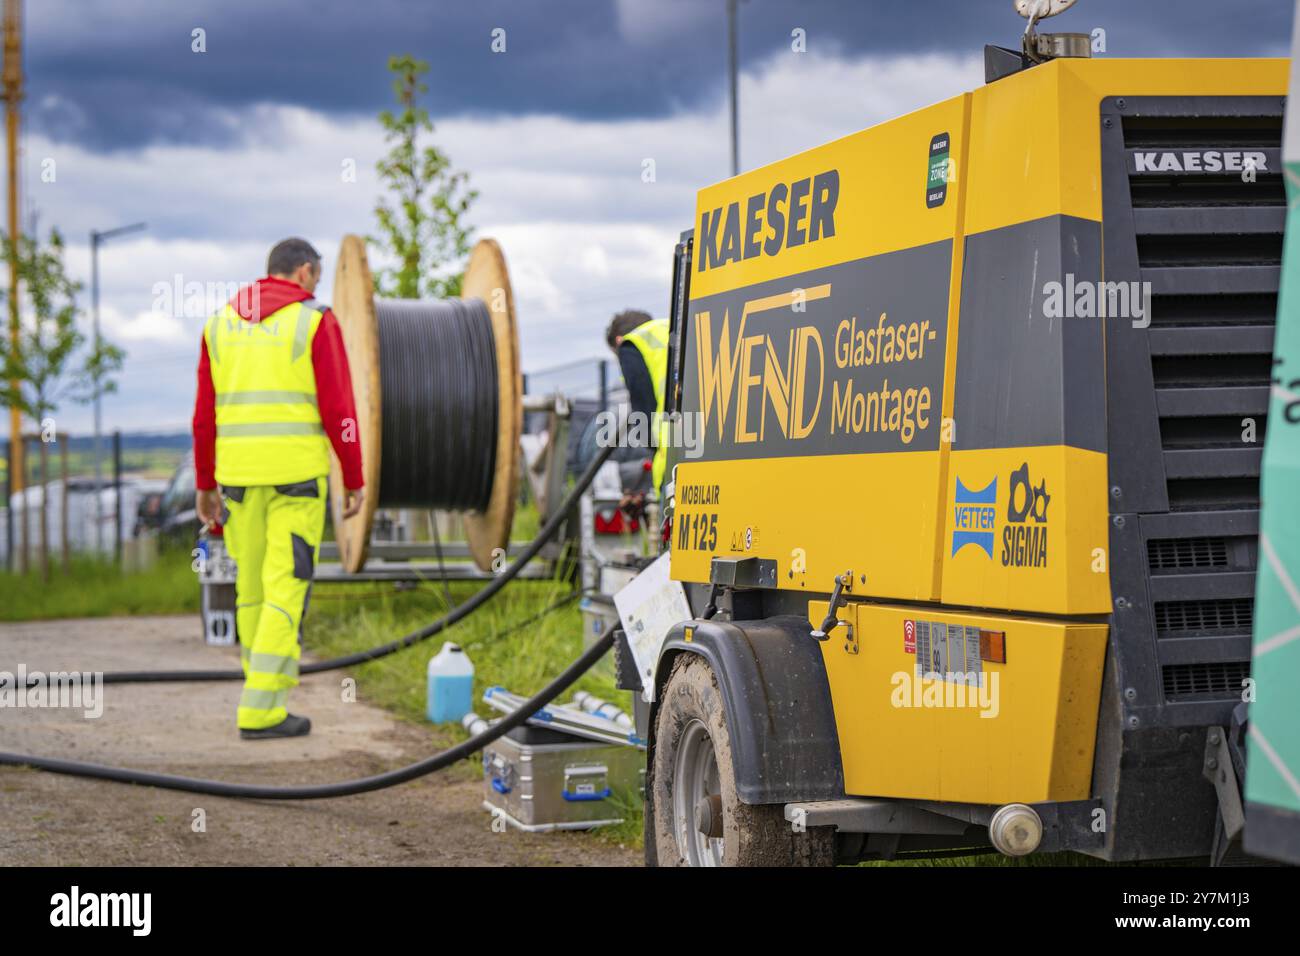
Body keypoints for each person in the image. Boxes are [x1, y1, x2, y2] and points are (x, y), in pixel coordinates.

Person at [192, 238, 364, 740]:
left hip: (238, 482)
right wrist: (352, 476)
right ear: (305, 271)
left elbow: (205, 417)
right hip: (295, 481)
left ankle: (270, 687)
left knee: (253, 589)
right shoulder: (314, 321)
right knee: (286, 588)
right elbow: (341, 412)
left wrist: (206, 483)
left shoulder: (219, 324)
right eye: (316, 276)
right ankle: (261, 709)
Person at [605, 309, 670, 511]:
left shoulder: (632, 345)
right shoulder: (671, 328)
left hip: (673, 455)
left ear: (618, 341)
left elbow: (644, 415)